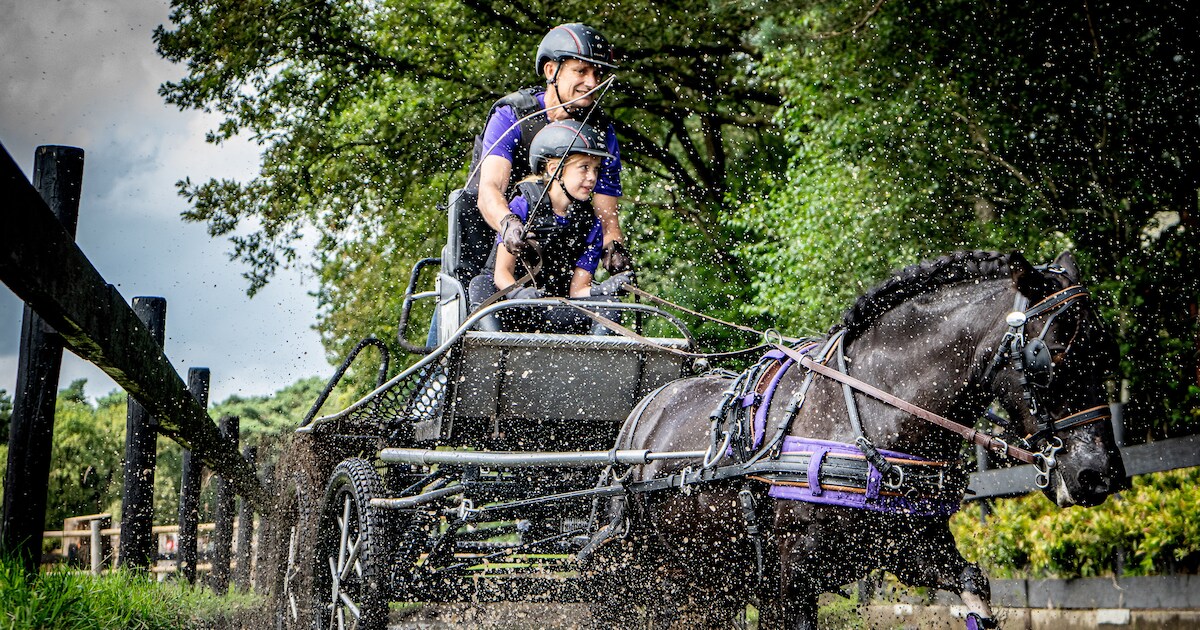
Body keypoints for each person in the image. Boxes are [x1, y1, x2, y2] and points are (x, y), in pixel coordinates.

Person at [476, 22, 633, 275]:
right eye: (581, 71)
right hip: (493, 238)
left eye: (597, 74)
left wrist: (614, 249)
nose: (591, 82)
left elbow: (607, 219)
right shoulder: (511, 117)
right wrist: (509, 223)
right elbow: (489, 190)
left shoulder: (601, 133)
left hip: (560, 247)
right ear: (551, 70)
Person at [468, 120, 633, 333]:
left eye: (596, 169)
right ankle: (494, 350)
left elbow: (578, 291)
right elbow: (501, 273)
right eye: (584, 168)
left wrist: (602, 290)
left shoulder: (590, 224)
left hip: (550, 305)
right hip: (509, 299)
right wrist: (518, 294)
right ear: (555, 169)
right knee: (480, 285)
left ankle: (594, 355)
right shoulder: (523, 205)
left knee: (609, 306)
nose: (592, 177)